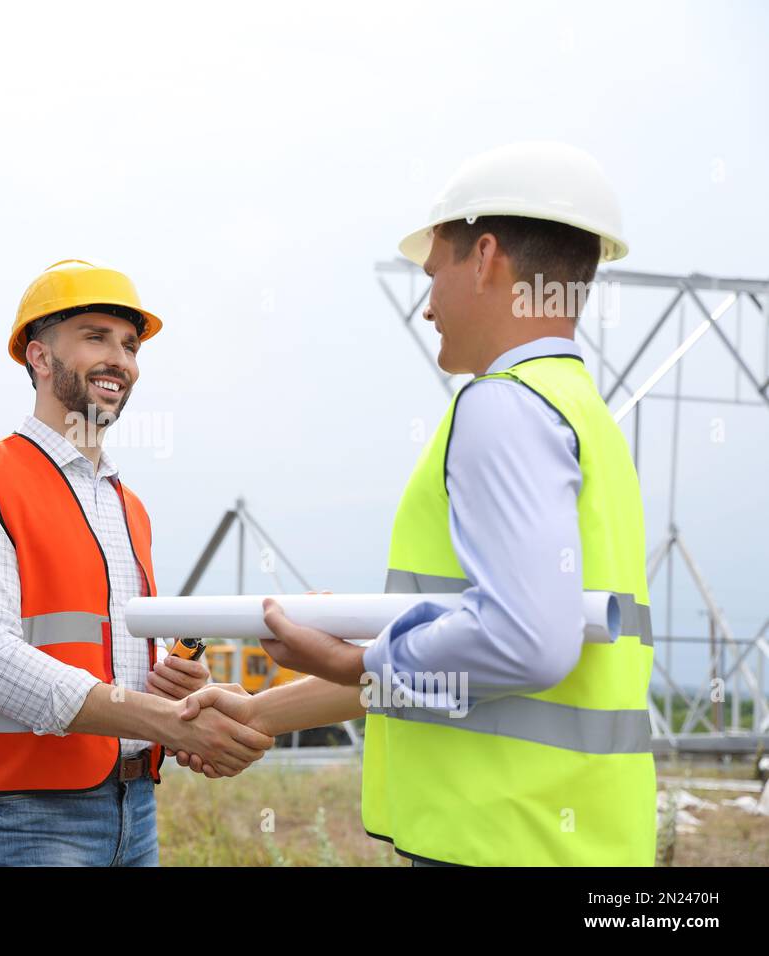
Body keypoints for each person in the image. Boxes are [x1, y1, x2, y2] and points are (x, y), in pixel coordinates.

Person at [178, 142, 655, 867]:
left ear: (486, 257)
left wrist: (358, 661)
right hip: (573, 842)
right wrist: (263, 709)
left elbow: (524, 643)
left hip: (497, 841)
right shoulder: (583, 417)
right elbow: (455, 660)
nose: (426, 304)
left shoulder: (503, 408)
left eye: (433, 273)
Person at [0, 259, 274, 867]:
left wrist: (172, 682)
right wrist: (166, 719)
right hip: (25, 815)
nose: (120, 359)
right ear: (38, 357)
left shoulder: (126, 505)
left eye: (130, 346)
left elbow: (101, 651)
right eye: (95, 337)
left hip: (134, 805)